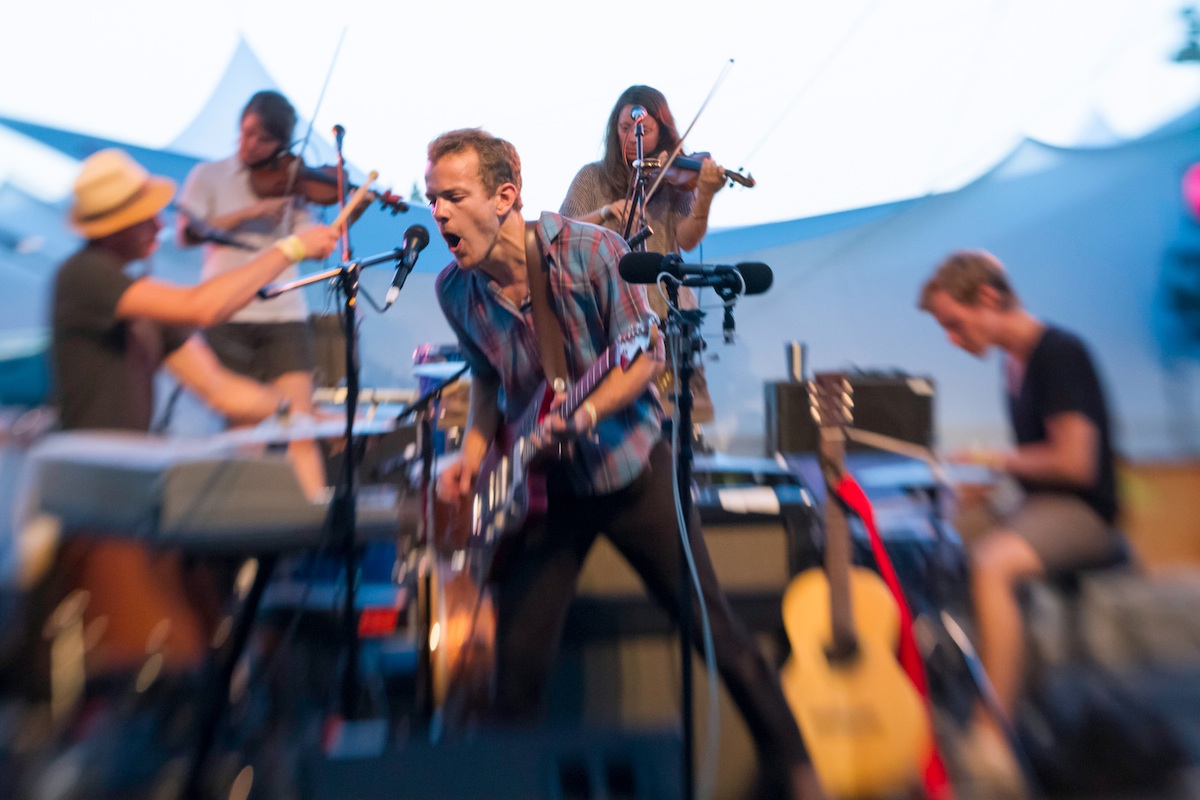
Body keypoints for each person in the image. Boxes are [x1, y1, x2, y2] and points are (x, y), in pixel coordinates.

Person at [428, 128, 823, 799]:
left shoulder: (592, 251)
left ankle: (801, 773)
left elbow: (646, 356)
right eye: (431, 198)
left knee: (714, 631)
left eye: (452, 197)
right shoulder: (454, 291)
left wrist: (581, 415)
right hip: (546, 490)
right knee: (515, 668)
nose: (437, 213)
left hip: (631, 470)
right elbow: (490, 382)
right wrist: (470, 454)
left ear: (505, 196)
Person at [48, 147, 338, 679]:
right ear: (112, 227)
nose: (159, 224)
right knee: (168, 654)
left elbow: (222, 391)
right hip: (96, 505)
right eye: (144, 216)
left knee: (203, 636)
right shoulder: (84, 275)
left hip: (134, 502)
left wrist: (301, 412)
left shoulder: (142, 300)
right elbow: (204, 306)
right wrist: (291, 246)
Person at [918, 250, 1125, 791]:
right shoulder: (1016, 364)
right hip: (1046, 504)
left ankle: (993, 735)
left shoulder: (1059, 352)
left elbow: (1077, 463)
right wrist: (991, 484)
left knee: (993, 563)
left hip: (1086, 516)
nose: (952, 339)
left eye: (955, 325)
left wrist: (994, 460)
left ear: (988, 298)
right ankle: (943, 692)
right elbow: (1039, 463)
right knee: (939, 533)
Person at [177, 90, 326, 499]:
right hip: (229, 313)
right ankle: (244, 532)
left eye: (263, 140)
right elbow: (188, 232)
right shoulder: (208, 175)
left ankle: (315, 519)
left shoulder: (292, 184)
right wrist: (250, 212)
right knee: (243, 428)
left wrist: (321, 219)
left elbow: (313, 244)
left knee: (301, 426)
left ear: (282, 143)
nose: (250, 146)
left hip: (285, 314)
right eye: (245, 134)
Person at [560, 85, 725, 426]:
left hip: (666, 313)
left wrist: (705, 197)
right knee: (614, 418)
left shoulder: (674, 181)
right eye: (625, 129)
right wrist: (606, 211)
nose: (632, 137)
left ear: (662, 133)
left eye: (644, 131)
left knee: (671, 422)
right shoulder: (593, 178)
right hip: (606, 319)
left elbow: (687, 239)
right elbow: (563, 231)